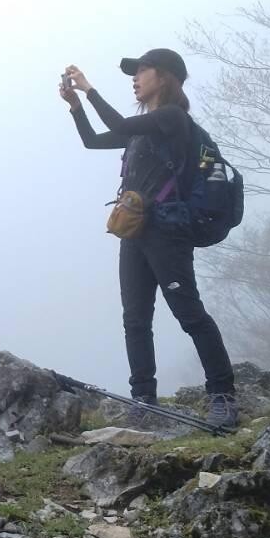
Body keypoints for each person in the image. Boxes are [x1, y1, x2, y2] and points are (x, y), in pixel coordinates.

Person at [60, 48, 239, 431]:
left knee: (190, 315)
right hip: (135, 233)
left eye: (143, 70)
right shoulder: (141, 132)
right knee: (135, 320)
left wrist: (89, 90)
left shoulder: (172, 119)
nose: (135, 78)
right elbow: (92, 140)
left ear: (166, 76)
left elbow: (122, 125)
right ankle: (143, 400)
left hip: (168, 234)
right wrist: (76, 106)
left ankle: (223, 396)